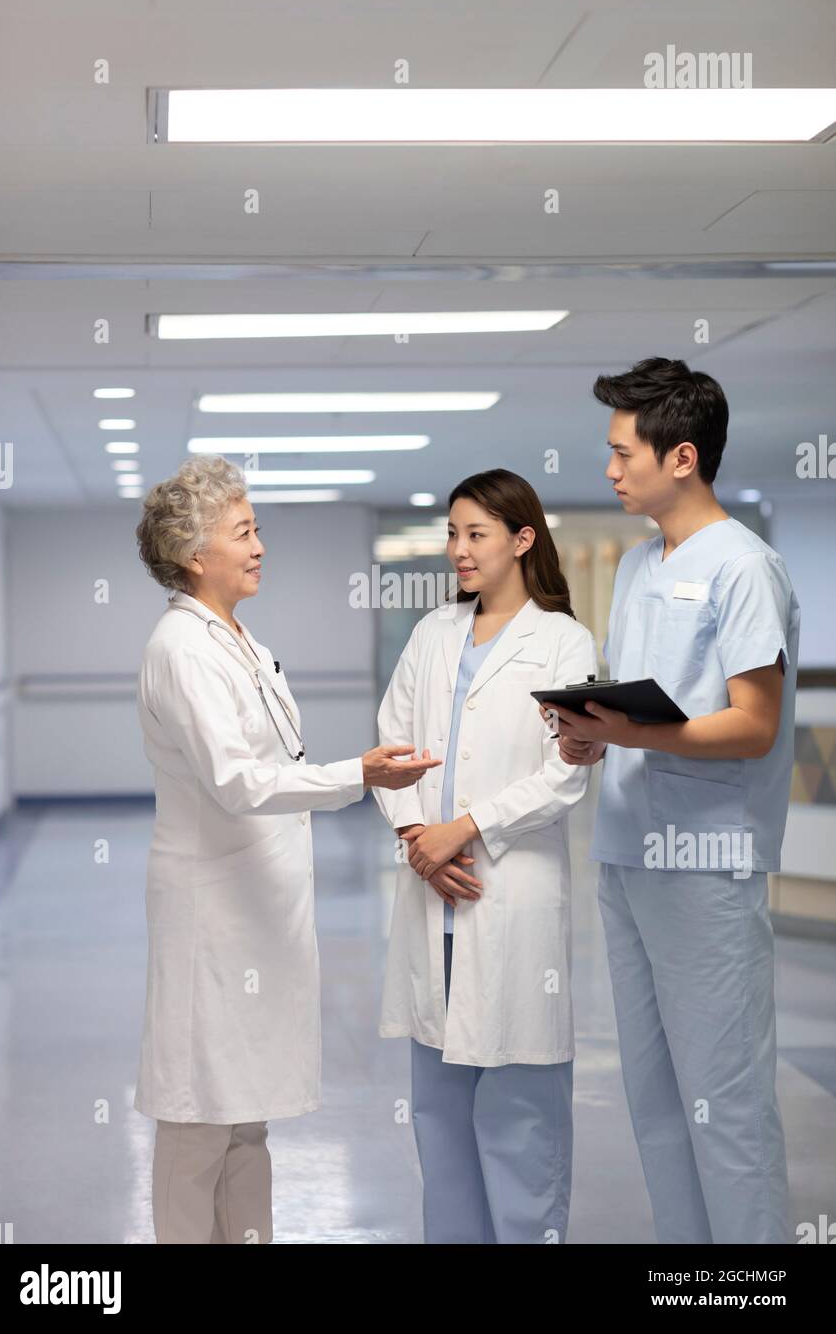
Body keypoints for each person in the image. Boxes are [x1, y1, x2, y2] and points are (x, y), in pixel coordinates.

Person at [133, 454, 440, 1244]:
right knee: (200, 1115)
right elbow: (238, 781)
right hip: (214, 915)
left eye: (257, 528)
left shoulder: (235, 639)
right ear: (197, 556)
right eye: (243, 533)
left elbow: (275, 765)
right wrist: (359, 774)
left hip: (257, 912)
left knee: (245, 1116)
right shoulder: (183, 647)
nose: (260, 546)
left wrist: (347, 776)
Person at [542, 358, 799, 1244]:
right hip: (627, 855)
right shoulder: (645, 563)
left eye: (623, 453)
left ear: (681, 456)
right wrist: (589, 731)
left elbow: (755, 725)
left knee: (723, 1103)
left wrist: (635, 735)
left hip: (707, 864)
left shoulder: (744, 569)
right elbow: (642, 706)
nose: (610, 471)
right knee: (655, 1101)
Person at [373, 469, 598, 1243]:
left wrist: (463, 828)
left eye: (476, 534)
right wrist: (417, 839)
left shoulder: (564, 640)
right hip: (433, 895)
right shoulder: (433, 633)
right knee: (438, 1119)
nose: (458, 550)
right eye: (452, 533)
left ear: (522, 539)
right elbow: (392, 745)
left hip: (510, 899)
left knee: (520, 1121)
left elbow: (567, 770)